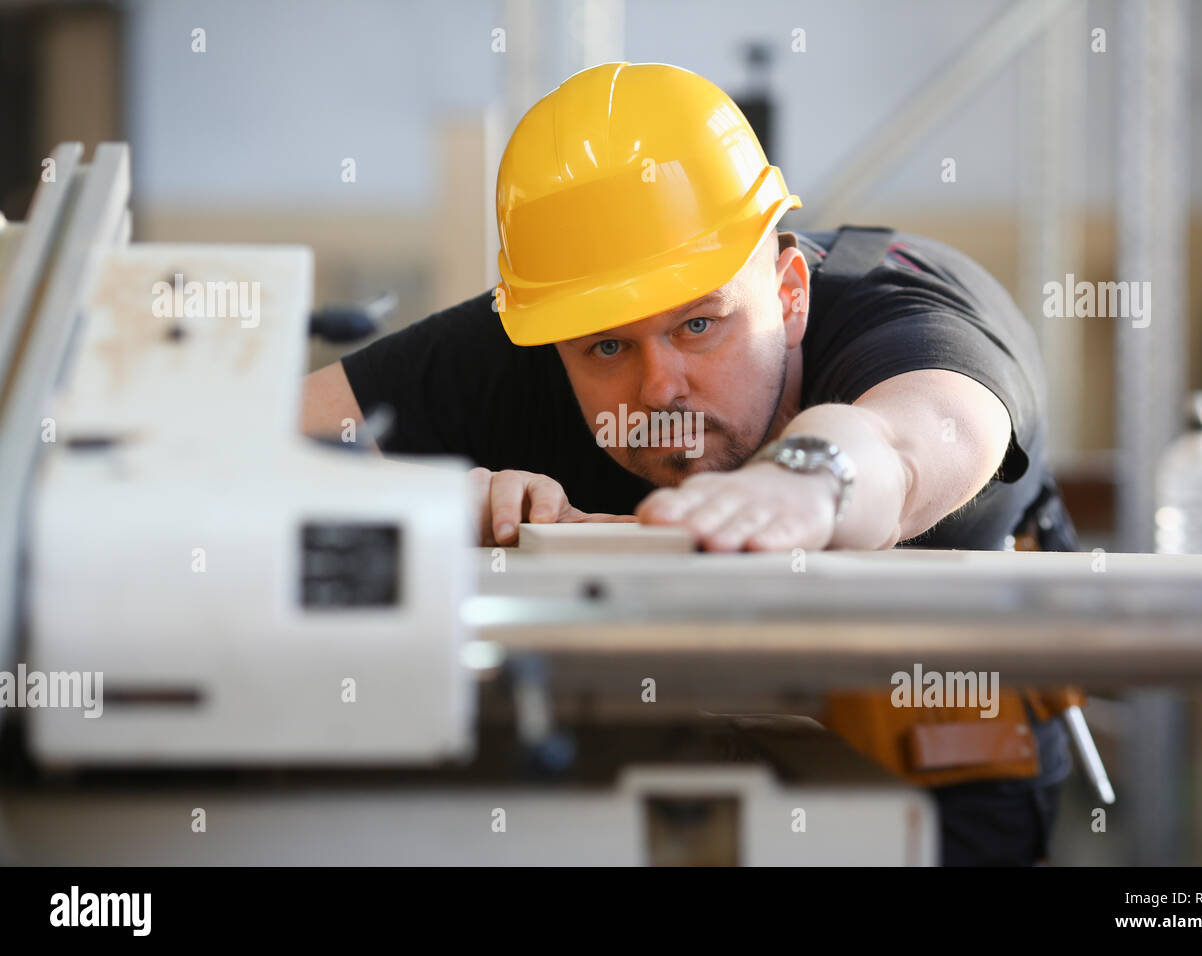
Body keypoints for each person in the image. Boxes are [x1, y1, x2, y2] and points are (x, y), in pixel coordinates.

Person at [301, 61, 1076, 865]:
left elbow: (923, 436)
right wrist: (423, 500)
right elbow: (241, 447)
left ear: (788, 292)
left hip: (930, 743)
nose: (658, 386)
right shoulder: (540, 331)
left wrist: (807, 480)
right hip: (669, 740)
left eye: (700, 326)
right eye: (606, 346)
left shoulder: (907, 315)